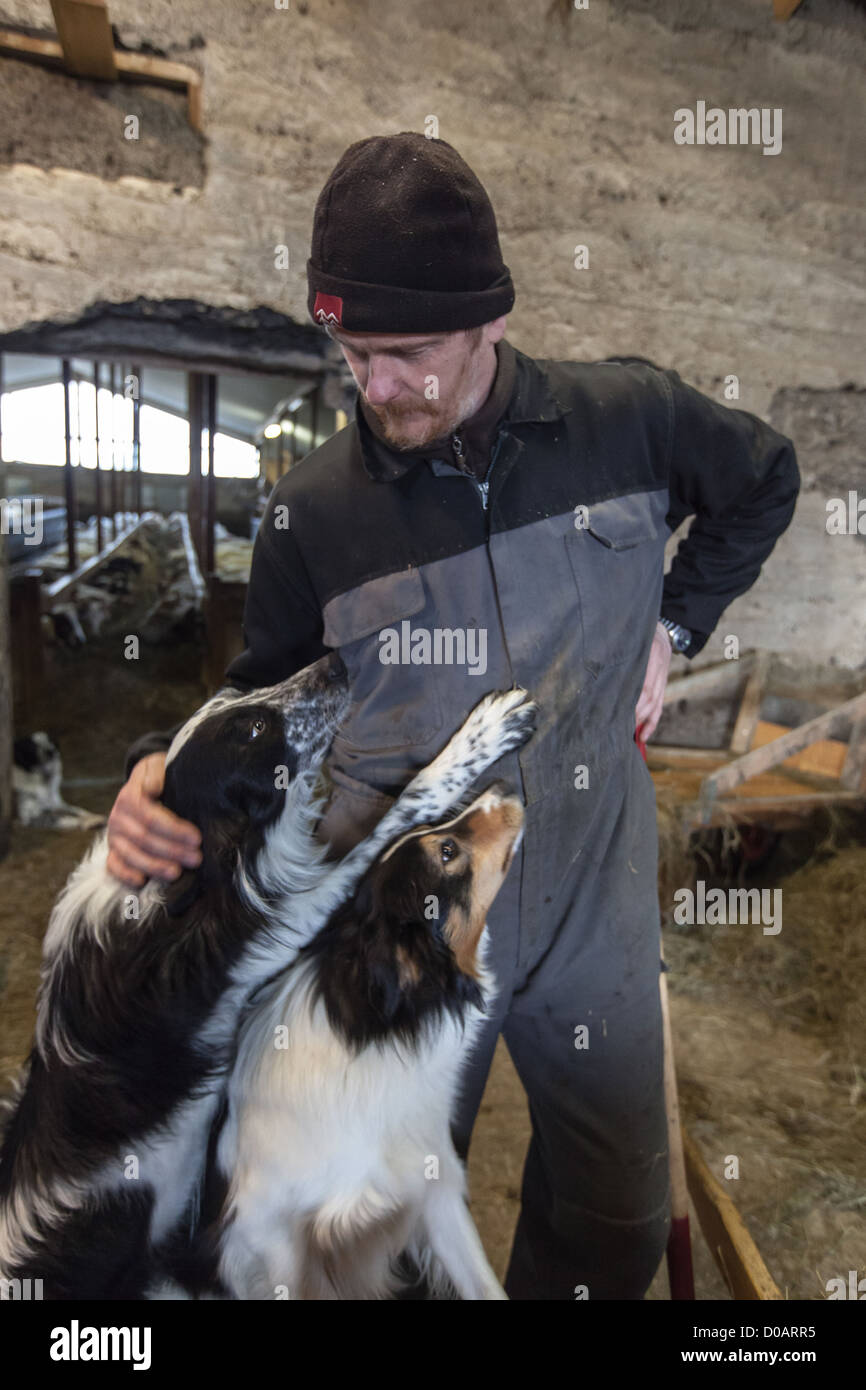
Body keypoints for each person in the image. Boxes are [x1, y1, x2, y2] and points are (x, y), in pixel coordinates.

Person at [108, 132, 800, 1299]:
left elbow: (765, 479)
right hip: (404, 919)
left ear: (486, 320)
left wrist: (673, 625)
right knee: (391, 1220)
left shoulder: (627, 420)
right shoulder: (315, 514)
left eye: (407, 354)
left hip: (592, 889)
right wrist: (152, 772)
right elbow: (255, 696)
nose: (374, 389)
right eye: (352, 353)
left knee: (613, 1214)